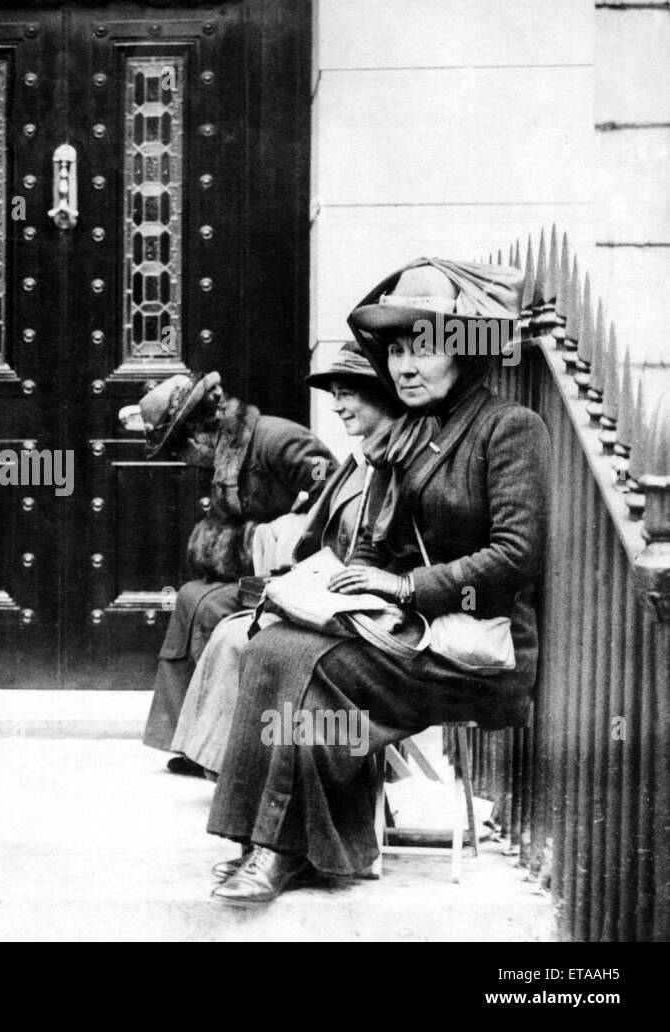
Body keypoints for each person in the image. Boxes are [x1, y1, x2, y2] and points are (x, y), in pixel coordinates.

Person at [207, 259, 548, 907]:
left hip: (476, 654)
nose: (405, 368)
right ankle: (262, 840)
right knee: (273, 643)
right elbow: (371, 546)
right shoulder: (412, 434)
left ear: (467, 354)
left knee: (313, 668)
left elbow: (516, 557)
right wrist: (338, 591)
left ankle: (285, 850)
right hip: (409, 634)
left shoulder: (510, 429)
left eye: (426, 348)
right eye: (395, 352)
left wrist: (403, 590)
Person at [170, 342, 402, 782]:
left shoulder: (286, 440)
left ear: (381, 393)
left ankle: (244, 777)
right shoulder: (368, 458)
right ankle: (221, 767)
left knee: (243, 635)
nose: (336, 406)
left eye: (347, 393)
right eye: (334, 394)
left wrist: (283, 531)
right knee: (220, 622)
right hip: (325, 582)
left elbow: (329, 504)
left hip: (371, 610)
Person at [127, 371, 338, 773]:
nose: (184, 462)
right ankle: (191, 741)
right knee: (191, 597)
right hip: (259, 567)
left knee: (211, 608)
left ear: (195, 439)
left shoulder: (277, 440)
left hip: (298, 574)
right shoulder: (228, 454)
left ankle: (222, 749)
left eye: (178, 452)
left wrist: (281, 536)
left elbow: (338, 505)